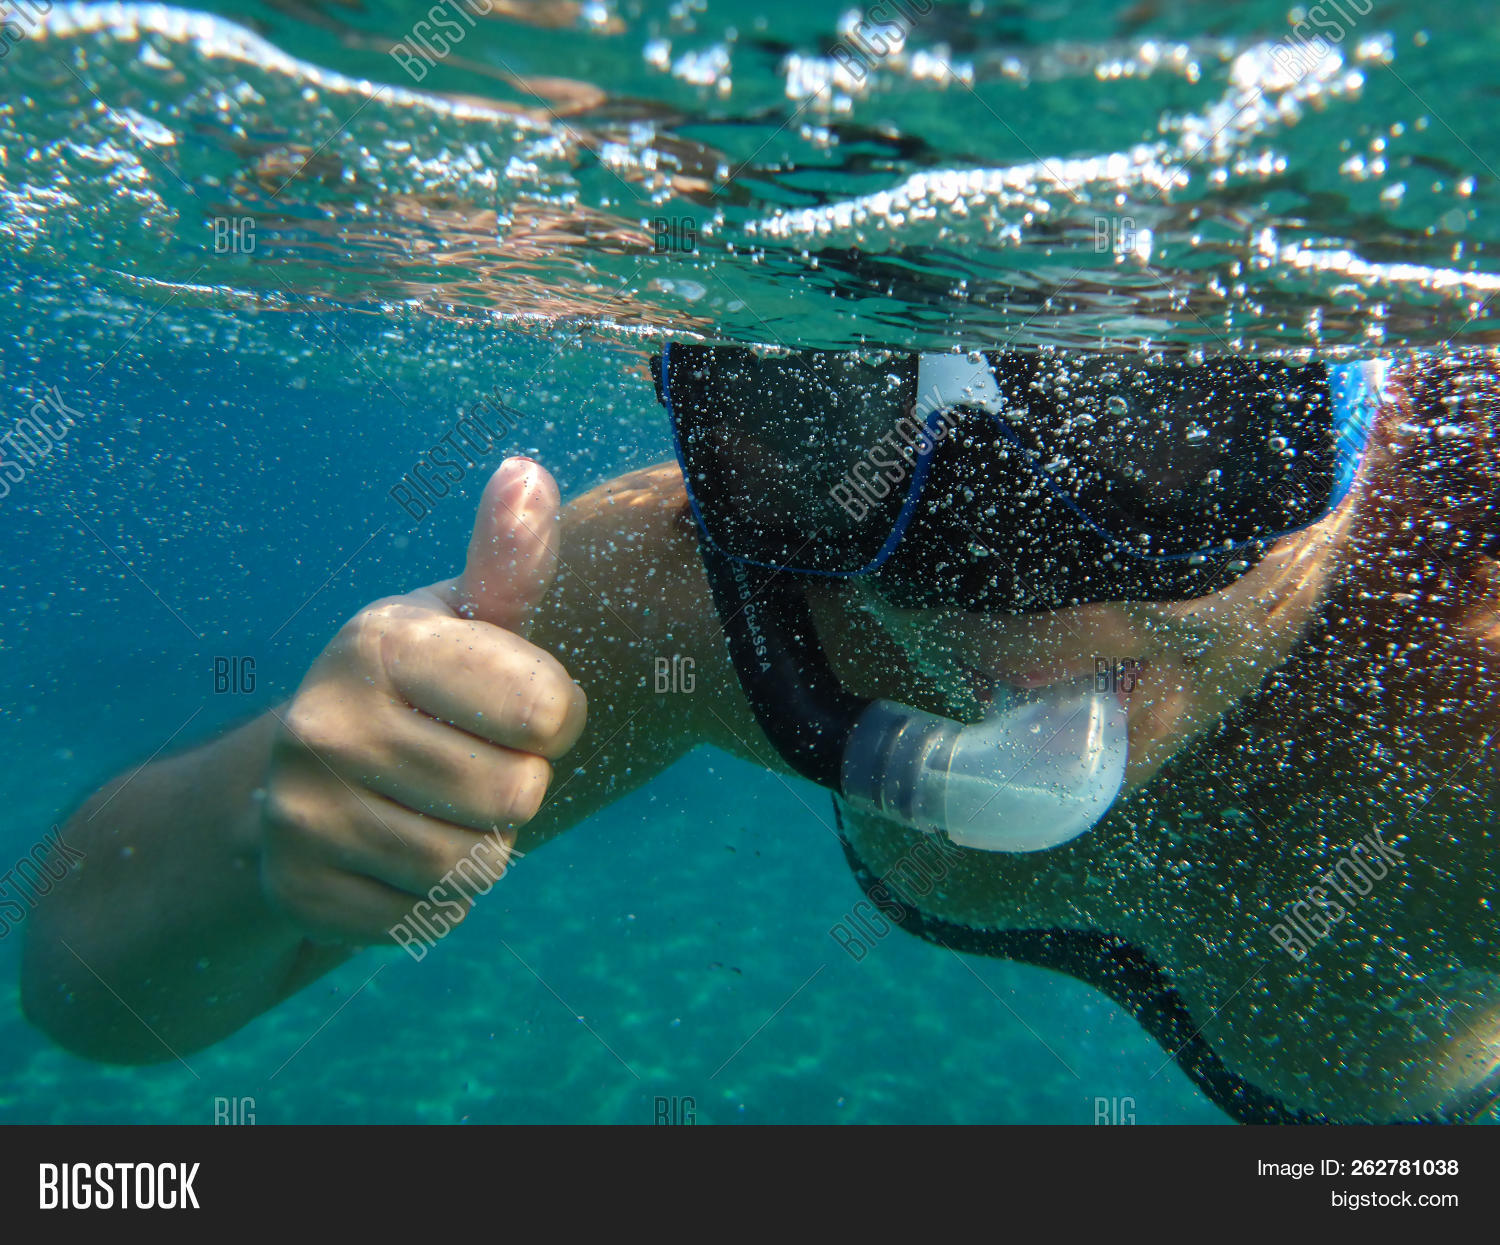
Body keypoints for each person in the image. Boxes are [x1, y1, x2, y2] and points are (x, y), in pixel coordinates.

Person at [20, 345, 1500, 1125]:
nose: (995, 580)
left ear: (1371, 378)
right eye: (830, 406)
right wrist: (269, 831)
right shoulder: (715, 592)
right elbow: (92, 986)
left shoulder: (1465, 674)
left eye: (1159, 408)